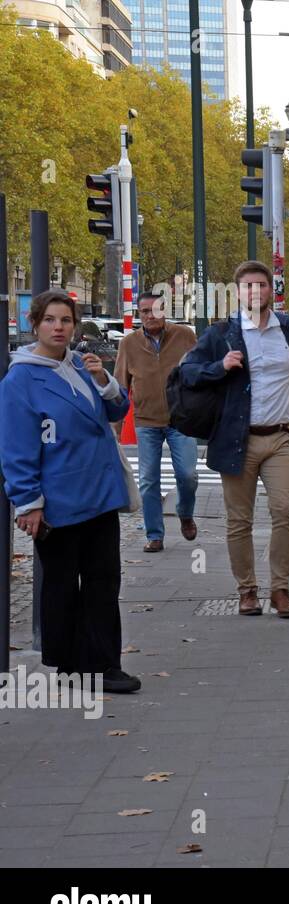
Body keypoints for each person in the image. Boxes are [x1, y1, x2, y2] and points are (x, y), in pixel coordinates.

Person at [0, 290, 141, 693]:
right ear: (36, 324)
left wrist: (103, 379)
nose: (59, 327)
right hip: (59, 498)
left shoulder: (81, 364)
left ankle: (103, 663)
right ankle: (71, 664)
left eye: (66, 320)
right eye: (50, 320)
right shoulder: (21, 378)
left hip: (100, 491)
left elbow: (116, 411)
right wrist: (27, 501)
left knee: (103, 581)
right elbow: (15, 445)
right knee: (62, 584)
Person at [179, 261, 289, 618]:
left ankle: (281, 589)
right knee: (239, 520)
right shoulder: (221, 334)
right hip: (237, 440)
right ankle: (247, 590)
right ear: (237, 291)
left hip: (280, 437)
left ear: (270, 289)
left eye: (261, 285)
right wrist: (220, 366)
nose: (255, 292)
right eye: (247, 286)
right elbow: (187, 372)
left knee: (286, 510)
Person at [113, 288, 199, 552]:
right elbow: (118, 387)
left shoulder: (185, 336)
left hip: (181, 419)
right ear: (139, 315)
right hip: (146, 420)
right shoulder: (128, 344)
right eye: (145, 312)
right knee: (148, 480)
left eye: (155, 310)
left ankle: (185, 512)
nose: (150, 316)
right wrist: (114, 429)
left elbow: (201, 372)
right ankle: (154, 534)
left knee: (188, 475)